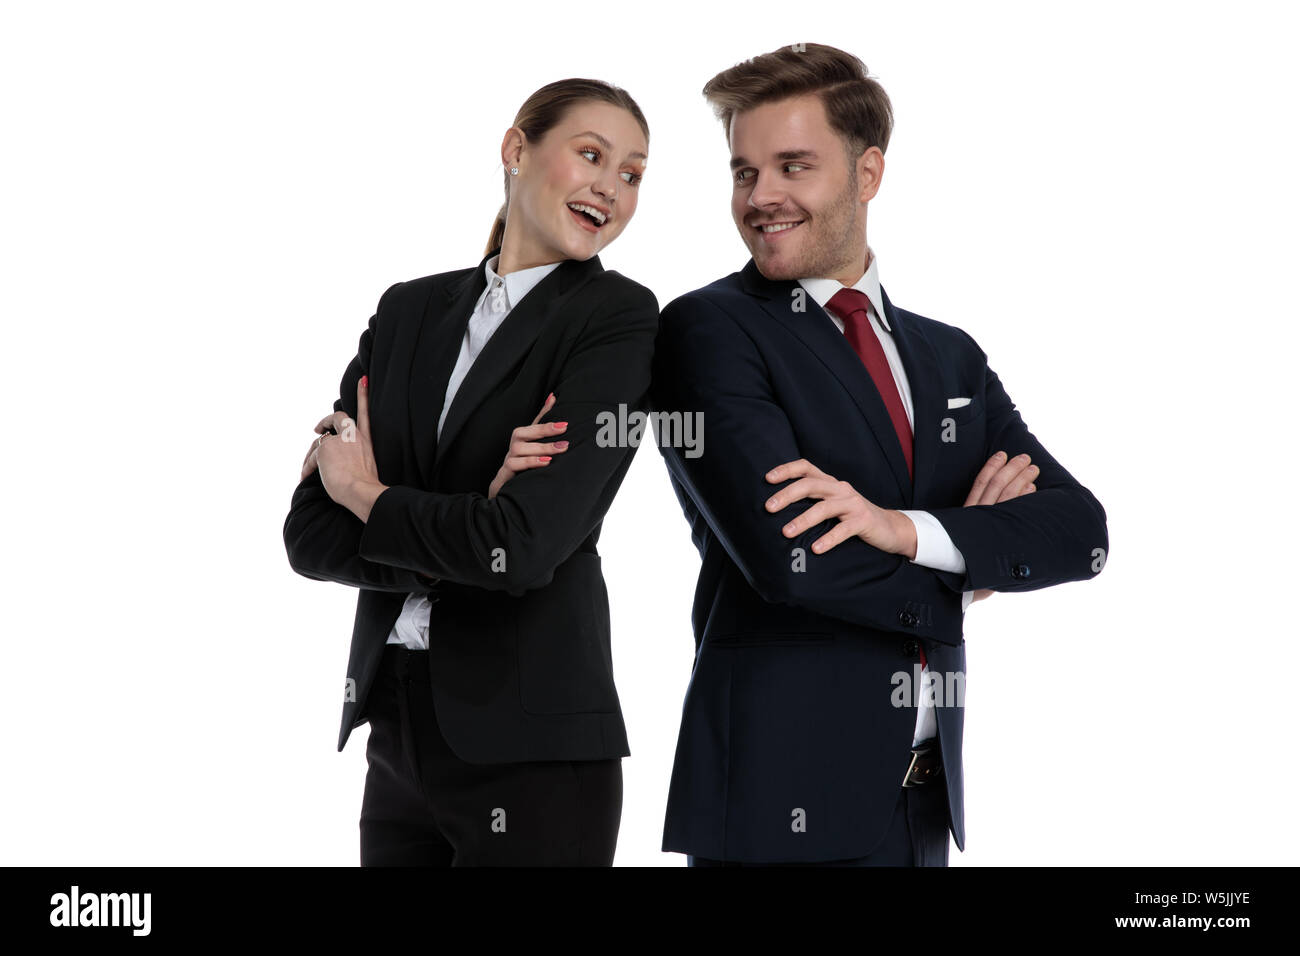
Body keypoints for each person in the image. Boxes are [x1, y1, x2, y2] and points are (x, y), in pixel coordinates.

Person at [649, 43, 1109, 865]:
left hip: (922, 806)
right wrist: (971, 557)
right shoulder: (708, 330)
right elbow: (789, 558)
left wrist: (905, 532)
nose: (762, 198)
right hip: (774, 806)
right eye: (744, 172)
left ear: (868, 174)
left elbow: (1081, 531)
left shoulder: (949, 356)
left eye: (794, 166)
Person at [282, 78, 657, 866]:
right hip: (395, 727)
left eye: (631, 174)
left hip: (537, 750)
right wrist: (467, 515)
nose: (610, 188)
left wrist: (366, 493)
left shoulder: (616, 319)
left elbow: (522, 547)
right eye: (591, 155)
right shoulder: (407, 311)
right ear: (516, 149)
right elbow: (310, 536)